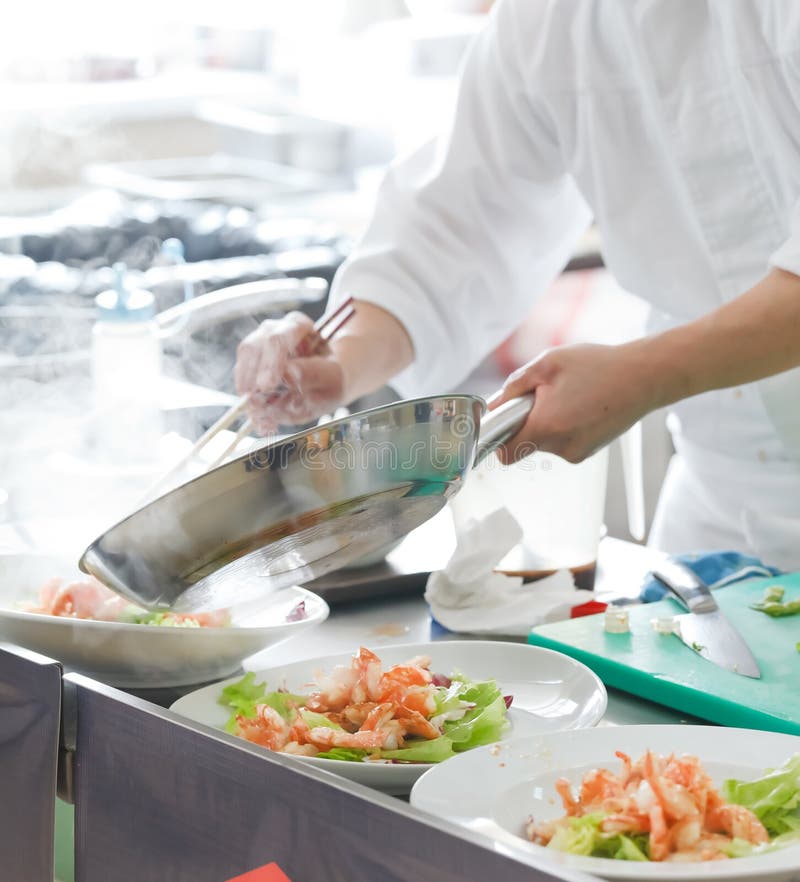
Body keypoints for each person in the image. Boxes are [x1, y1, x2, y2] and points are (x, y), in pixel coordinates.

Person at [235, 0, 800, 568]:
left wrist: (645, 373)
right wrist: (342, 363)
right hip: (720, 506)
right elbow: (451, 234)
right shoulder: (549, 18)